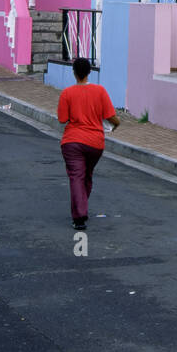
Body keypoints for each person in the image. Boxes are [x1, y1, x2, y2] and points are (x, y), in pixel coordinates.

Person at [57, 57, 118, 231]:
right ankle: (81, 208)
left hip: (72, 141)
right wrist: (118, 124)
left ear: (74, 72)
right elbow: (110, 116)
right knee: (87, 176)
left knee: (77, 176)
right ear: (90, 72)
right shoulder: (100, 91)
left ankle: (79, 216)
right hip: (95, 143)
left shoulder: (67, 93)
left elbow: (62, 119)